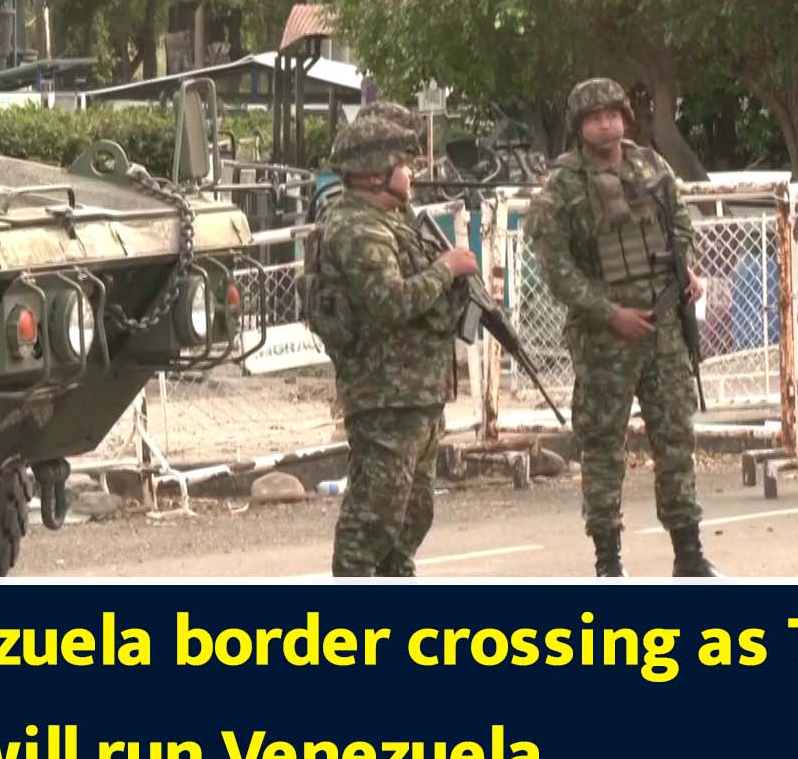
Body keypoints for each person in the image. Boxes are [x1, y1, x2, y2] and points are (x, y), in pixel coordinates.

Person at [523, 78, 720, 577]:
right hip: (603, 339)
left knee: (676, 440)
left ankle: (689, 555)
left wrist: (687, 271)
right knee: (604, 447)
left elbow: (679, 222)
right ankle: (608, 564)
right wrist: (611, 315)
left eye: (613, 114)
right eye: (594, 118)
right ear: (579, 127)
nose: (606, 123)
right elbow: (557, 269)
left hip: (665, 326)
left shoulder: (650, 165)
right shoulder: (562, 186)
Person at [307, 104, 481, 576]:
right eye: (402, 164)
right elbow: (392, 303)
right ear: (373, 173)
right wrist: (447, 269)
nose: (410, 172)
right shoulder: (355, 227)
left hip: (417, 394)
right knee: (372, 521)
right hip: (384, 396)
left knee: (411, 516)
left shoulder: (393, 221)